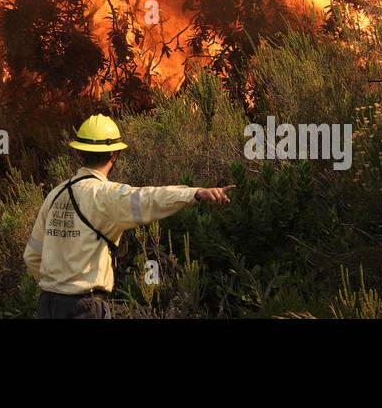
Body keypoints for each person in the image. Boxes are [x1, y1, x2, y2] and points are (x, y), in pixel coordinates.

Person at [23, 113, 232, 319]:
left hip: (48, 305)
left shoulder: (55, 195)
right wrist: (194, 193)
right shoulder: (106, 195)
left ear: (80, 154)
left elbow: (31, 256)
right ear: (115, 155)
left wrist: (58, 288)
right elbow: (149, 198)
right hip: (85, 307)